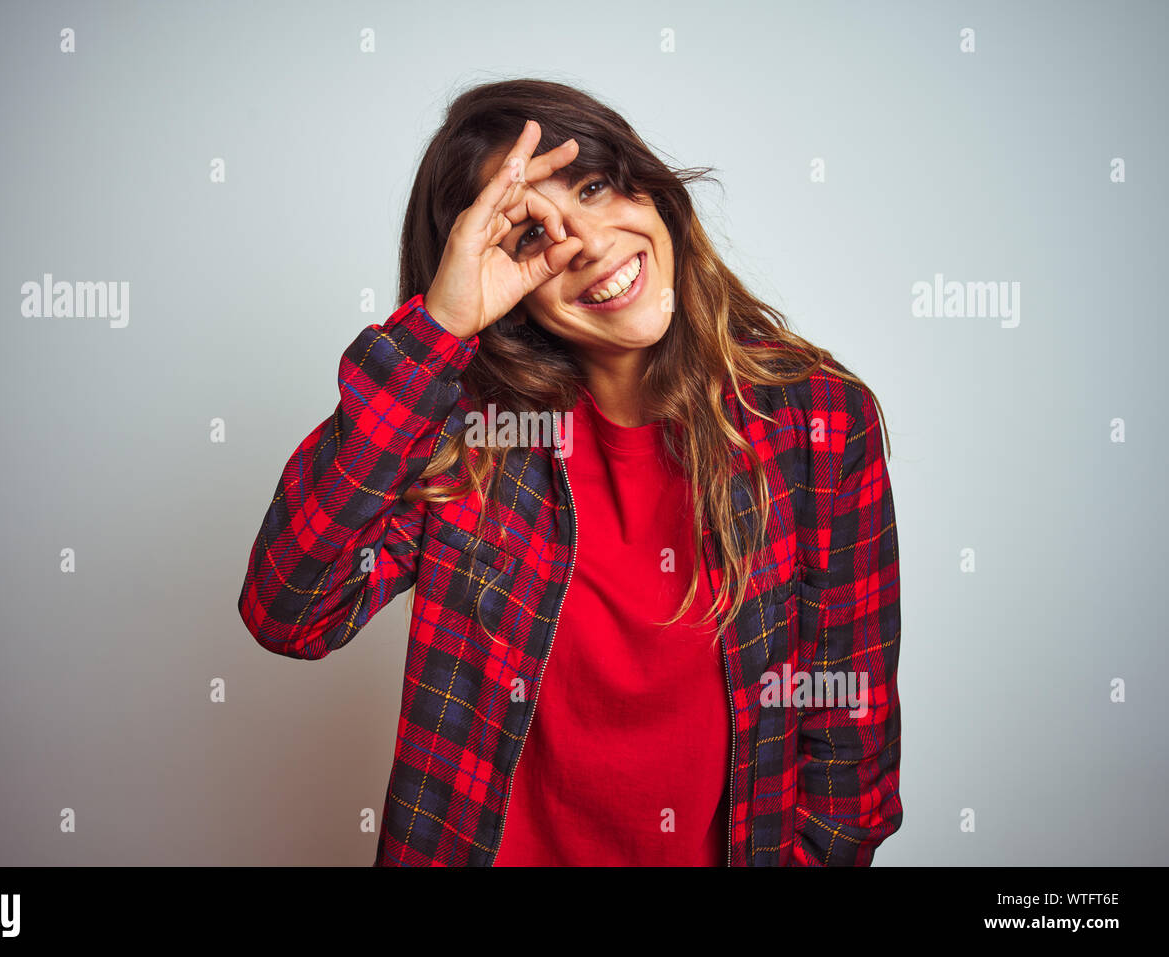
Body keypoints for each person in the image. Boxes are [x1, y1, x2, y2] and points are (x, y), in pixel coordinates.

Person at [237, 79, 902, 866]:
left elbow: (848, 749)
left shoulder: (817, 422)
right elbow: (289, 609)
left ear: (650, 190)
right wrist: (439, 329)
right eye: (530, 234)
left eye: (593, 186)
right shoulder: (469, 435)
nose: (587, 243)